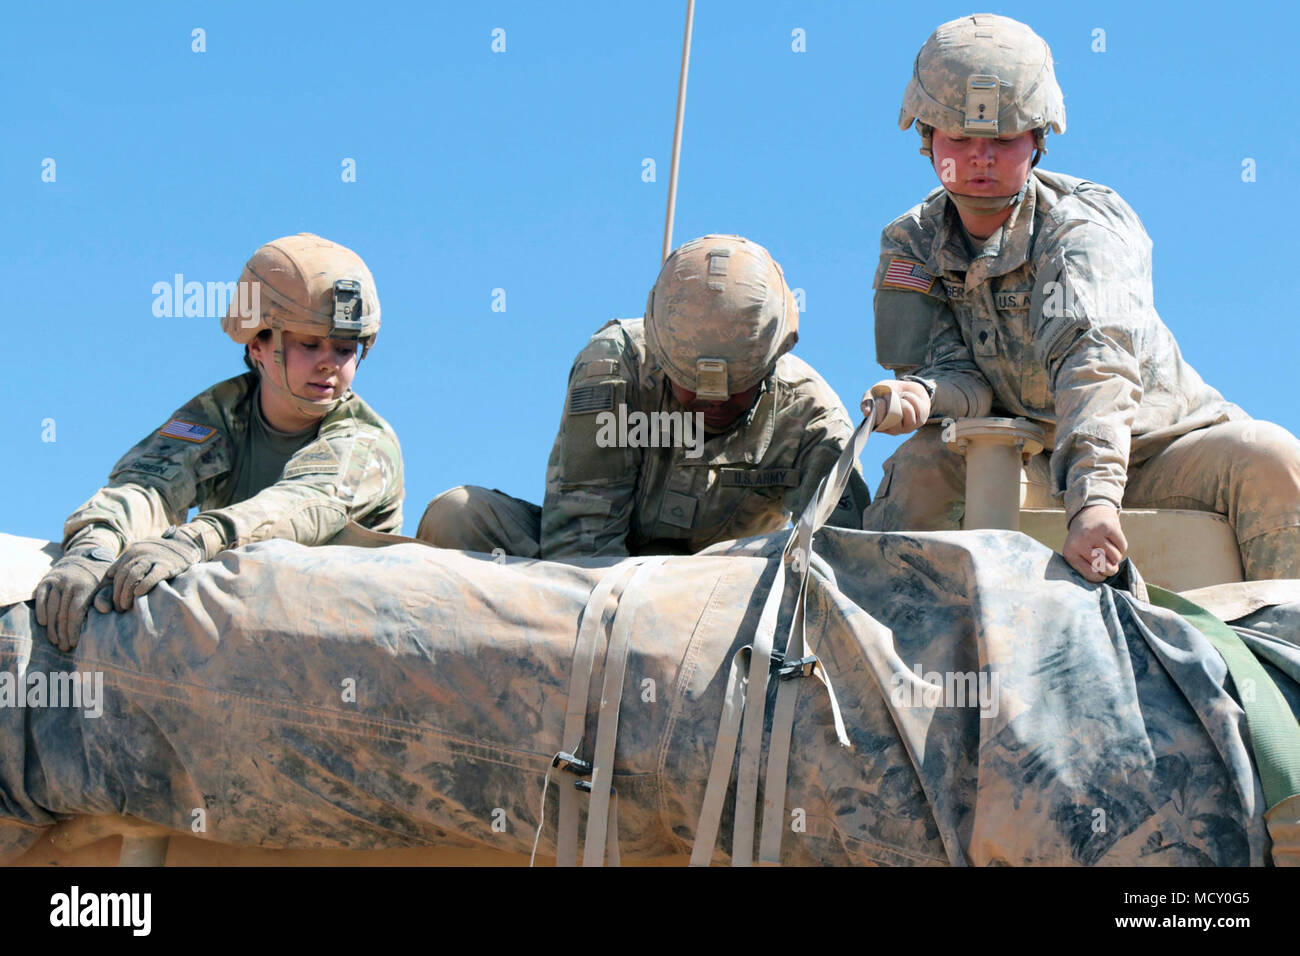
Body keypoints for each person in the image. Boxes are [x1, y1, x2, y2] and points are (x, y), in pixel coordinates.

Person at [861, 13, 1300, 582]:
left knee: (1269, 458)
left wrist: (1093, 502)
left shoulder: (1081, 228)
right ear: (926, 139)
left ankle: (1282, 654)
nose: (980, 158)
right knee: (921, 465)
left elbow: (1095, 364)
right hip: (1022, 454)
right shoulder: (911, 242)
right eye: (959, 138)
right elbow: (957, 374)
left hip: (1157, 450)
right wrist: (924, 392)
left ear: (1038, 141)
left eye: (1003, 139)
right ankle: (899, 654)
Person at [34, 233, 405, 651]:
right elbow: (150, 486)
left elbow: (304, 504)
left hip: (342, 638)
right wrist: (94, 545)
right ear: (257, 346)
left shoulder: (365, 440)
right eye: (309, 343)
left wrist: (198, 539)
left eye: (344, 348)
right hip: (243, 628)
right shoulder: (222, 412)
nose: (329, 363)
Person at [418, 234, 868, 558]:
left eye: (734, 387)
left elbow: (849, 563)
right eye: (691, 382)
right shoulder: (614, 367)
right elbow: (581, 544)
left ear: (773, 358)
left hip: (722, 599)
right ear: (659, 350)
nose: (711, 402)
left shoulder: (810, 418)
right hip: (592, 580)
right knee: (457, 518)